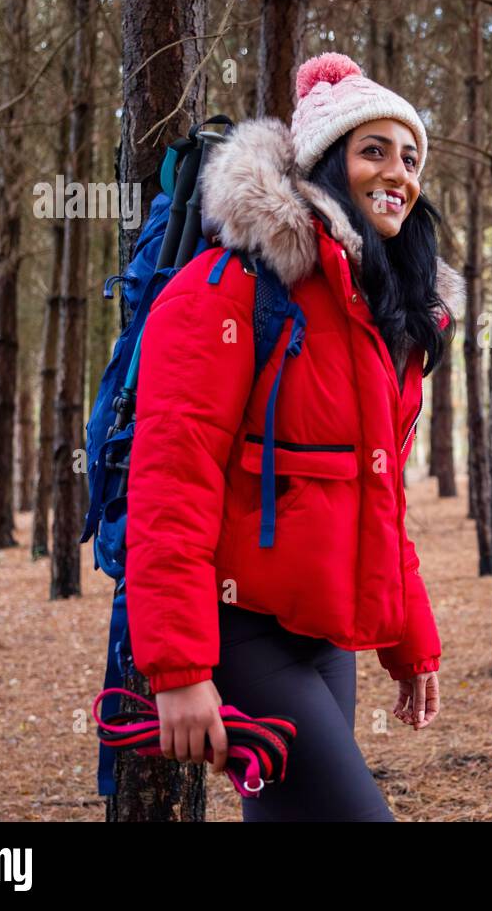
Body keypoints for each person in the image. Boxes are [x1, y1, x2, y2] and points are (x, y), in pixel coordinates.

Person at [123, 52, 464, 821]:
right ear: (325, 162)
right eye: (373, 150)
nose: (398, 173)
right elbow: (172, 483)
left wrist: (410, 638)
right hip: (237, 631)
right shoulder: (229, 289)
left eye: (411, 158)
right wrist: (180, 669)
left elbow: (379, 495)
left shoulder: (383, 318)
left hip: (326, 632)